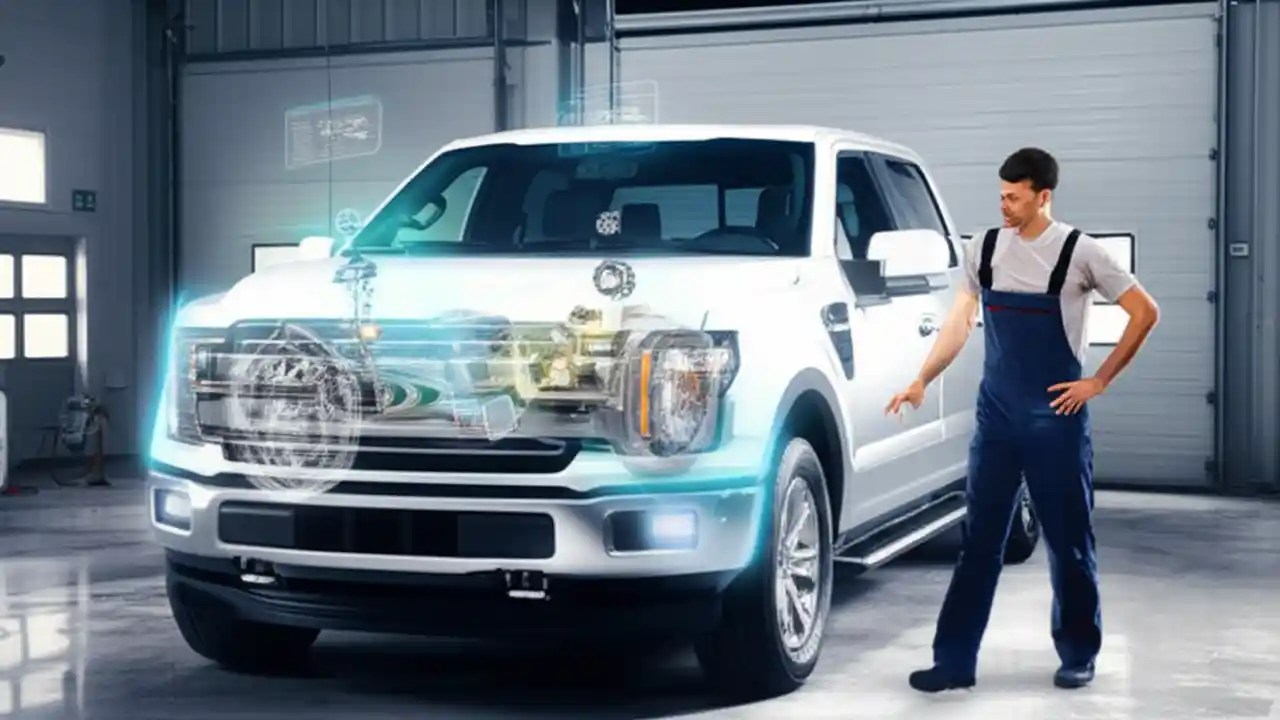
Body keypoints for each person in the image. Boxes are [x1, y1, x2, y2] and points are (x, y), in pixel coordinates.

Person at [885, 147, 1160, 692]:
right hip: (998, 420)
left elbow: (1144, 312)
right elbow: (959, 325)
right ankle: (955, 661)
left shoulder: (1082, 253)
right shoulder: (983, 248)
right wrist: (922, 379)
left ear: (1044, 195)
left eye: (1015, 196)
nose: (1005, 205)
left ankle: (1079, 652)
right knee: (979, 541)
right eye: (1001, 195)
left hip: (1056, 421)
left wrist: (1098, 381)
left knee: (1069, 541)